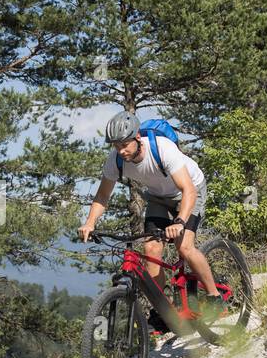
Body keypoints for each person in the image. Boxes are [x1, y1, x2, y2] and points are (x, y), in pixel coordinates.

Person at [78, 111, 222, 333]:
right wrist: (90, 222)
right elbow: (102, 196)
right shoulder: (116, 160)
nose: (121, 150)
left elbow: (188, 191)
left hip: (190, 190)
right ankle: (164, 312)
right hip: (158, 197)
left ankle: (215, 297)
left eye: (125, 144)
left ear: (137, 137)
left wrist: (180, 221)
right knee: (151, 248)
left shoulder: (162, 148)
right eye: (116, 146)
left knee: (184, 247)